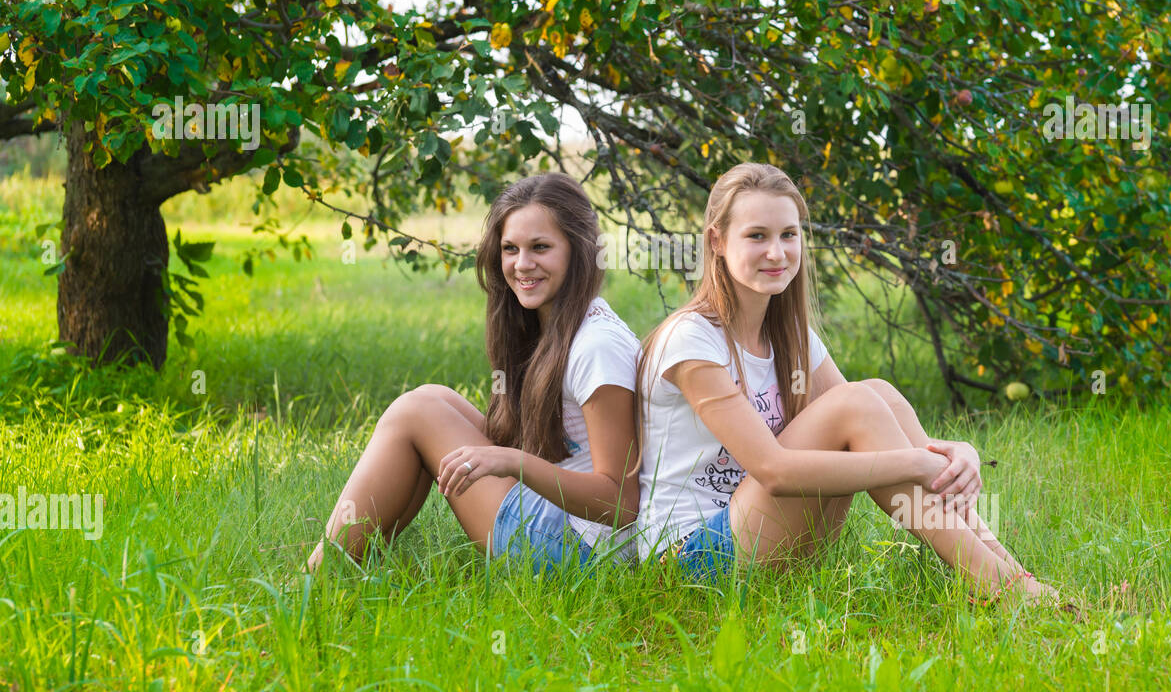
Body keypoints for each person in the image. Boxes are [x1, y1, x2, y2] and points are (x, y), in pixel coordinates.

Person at [632, 161, 1069, 610]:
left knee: (878, 394)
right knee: (857, 403)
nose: (777, 253)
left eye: (789, 234)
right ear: (717, 241)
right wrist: (915, 464)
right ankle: (1003, 586)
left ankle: (1011, 574)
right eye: (757, 236)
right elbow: (775, 472)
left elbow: (875, 424)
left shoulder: (791, 336)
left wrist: (955, 451)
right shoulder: (690, 339)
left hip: (768, 537)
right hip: (691, 560)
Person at [307, 171, 641, 574]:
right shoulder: (561, 324)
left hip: (584, 552)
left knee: (415, 414)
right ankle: (350, 567)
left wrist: (514, 462)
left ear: (579, 249)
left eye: (540, 247)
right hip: (572, 528)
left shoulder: (597, 346)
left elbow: (621, 503)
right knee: (433, 397)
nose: (522, 264)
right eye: (510, 248)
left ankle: (316, 578)